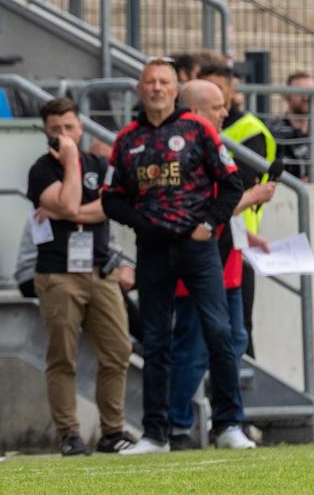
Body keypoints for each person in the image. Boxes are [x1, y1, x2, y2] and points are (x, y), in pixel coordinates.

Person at [101, 59, 253, 454]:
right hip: (152, 250)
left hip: (197, 246)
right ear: (140, 89)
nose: (156, 88)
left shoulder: (198, 128)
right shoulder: (126, 139)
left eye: (163, 82)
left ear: (174, 88)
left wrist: (208, 224)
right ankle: (156, 433)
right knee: (155, 340)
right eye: (149, 82)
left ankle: (228, 424)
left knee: (219, 331)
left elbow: (231, 183)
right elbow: (111, 198)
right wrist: (140, 223)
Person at [24, 97, 135, 456]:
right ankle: (69, 433)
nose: (63, 135)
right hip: (58, 275)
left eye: (69, 127)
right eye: (56, 129)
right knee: (62, 357)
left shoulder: (101, 163)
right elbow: (71, 202)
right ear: (45, 132)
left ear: (81, 127)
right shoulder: (41, 169)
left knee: (118, 350)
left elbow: (112, 205)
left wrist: (70, 212)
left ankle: (112, 431)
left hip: (101, 271)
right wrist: (70, 161)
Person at [166, 80, 272, 450]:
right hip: (197, 265)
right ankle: (176, 426)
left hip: (228, 261)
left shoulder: (216, 145)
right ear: (195, 112)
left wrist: (247, 235)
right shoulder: (181, 151)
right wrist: (253, 196)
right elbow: (202, 208)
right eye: (216, 107)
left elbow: (222, 206)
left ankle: (228, 423)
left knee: (231, 342)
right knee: (194, 346)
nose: (225, 113)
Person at [198, 64, 277, 358]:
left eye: (220, 88)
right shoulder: (192, 136)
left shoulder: (248, 131)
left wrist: (253, 197)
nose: (216, 96)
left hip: (236, 238)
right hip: (205, 237)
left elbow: (240, 187)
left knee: (238, 325)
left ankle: (240, 391)